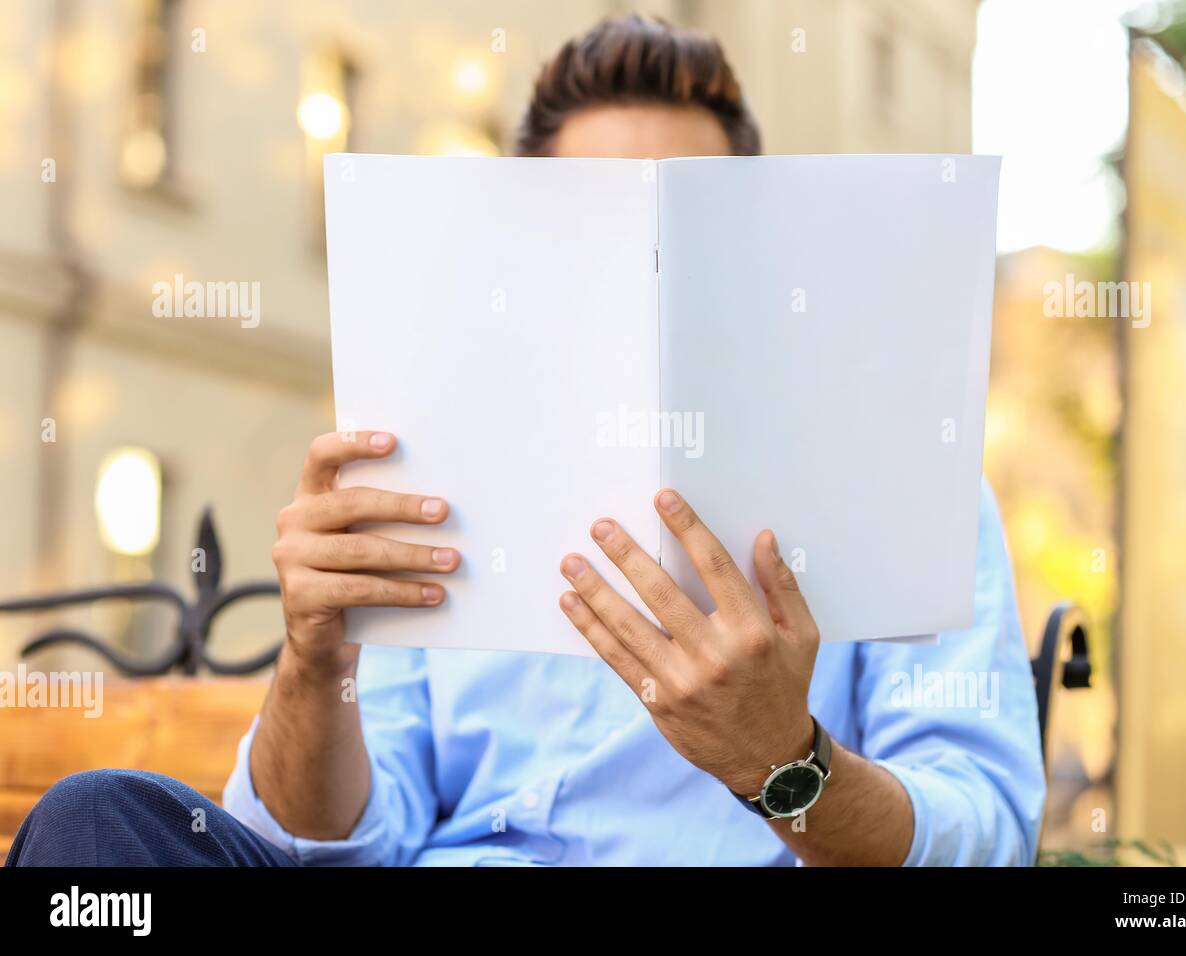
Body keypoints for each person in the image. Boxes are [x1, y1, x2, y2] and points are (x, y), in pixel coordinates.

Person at [8, 13, 1043, 868]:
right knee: (97, 827)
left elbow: (983, 829)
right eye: (593, 225)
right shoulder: (430, 464)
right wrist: (313, 660)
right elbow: (328, 842)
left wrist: (784, 760)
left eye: (679, 228)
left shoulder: (902, 474)